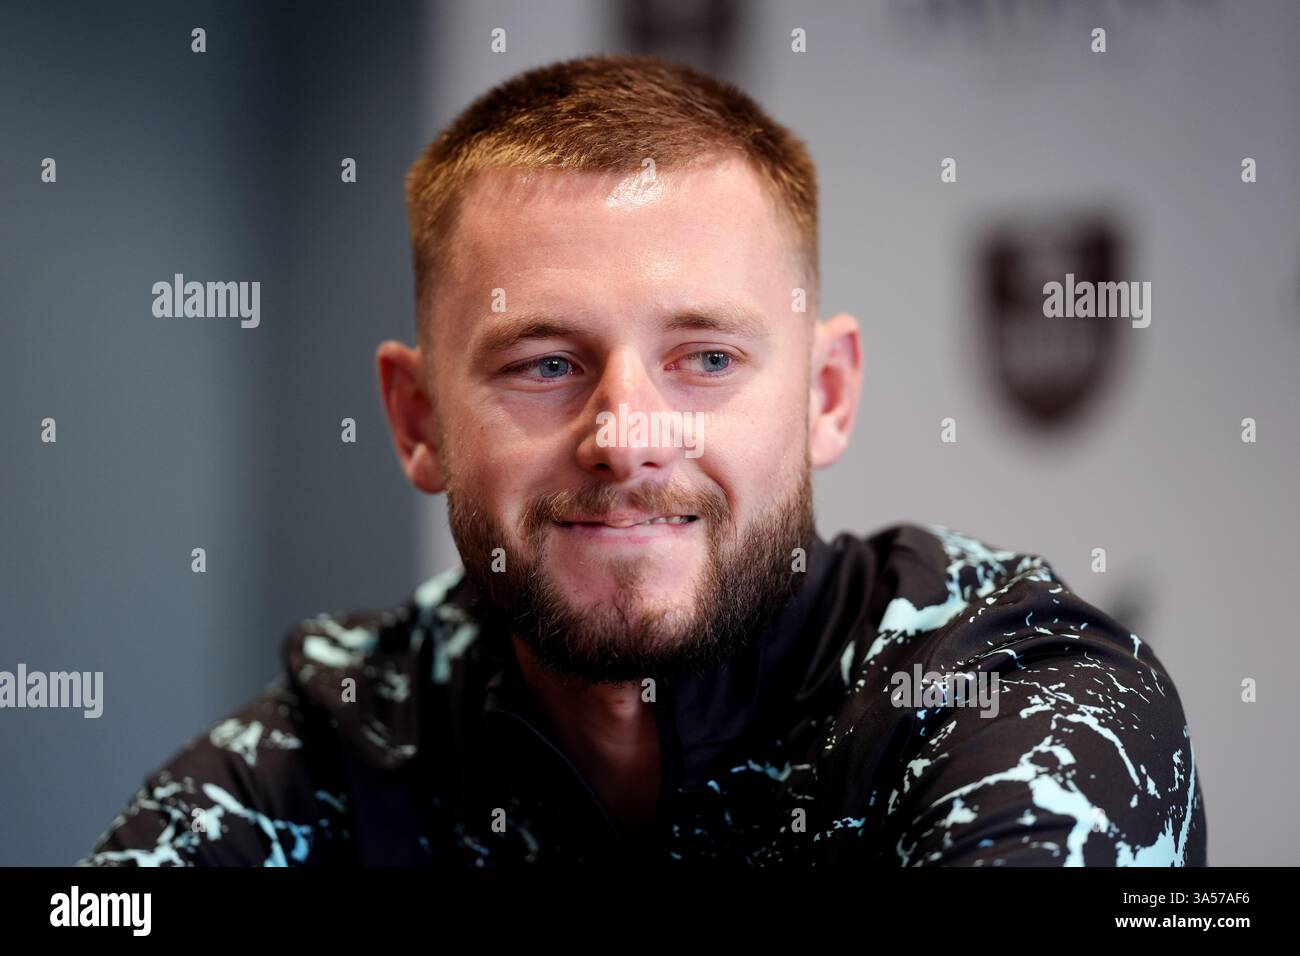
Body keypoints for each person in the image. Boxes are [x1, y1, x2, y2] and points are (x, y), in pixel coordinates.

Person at [81, 53, 1205, 866]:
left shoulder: (1014, 698)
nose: (626, 436)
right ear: (418, 418)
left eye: (705, 356)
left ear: (824, 393)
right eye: (543, 363)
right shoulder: (353, 734)